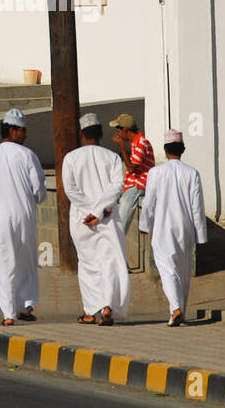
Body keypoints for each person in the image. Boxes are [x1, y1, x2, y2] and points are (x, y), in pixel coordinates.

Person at [0, 108, 45, 326]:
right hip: (23, 214)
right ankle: (24, 304)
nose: (25, 134)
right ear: (12, 130)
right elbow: (39, 191)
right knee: (25, 260)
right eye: (22, 130)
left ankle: (9, 312)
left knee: (2, 261)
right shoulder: (28, 156)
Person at [61, 112, 129, 326]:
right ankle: (107, 306)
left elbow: (70, 190)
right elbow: (118, 186)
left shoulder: (71, 158)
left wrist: (91, 211)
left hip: (83, 219)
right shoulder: (113, 157)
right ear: (100, 134)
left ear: (82, 134)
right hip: (108, 217)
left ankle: (91, 311)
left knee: (89, 264)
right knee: (109, 262)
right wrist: (100, 210)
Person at [139, 130, 207, 327]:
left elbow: (149, 203)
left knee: (168, 269)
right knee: (184, 271)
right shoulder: (192, 173)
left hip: (163, 229)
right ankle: (180, 312)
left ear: (165, 150)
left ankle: (176, 308)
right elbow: (197, 207)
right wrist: (200, 234)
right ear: (183, 150)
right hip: (185, 229)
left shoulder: (155, 173)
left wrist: (144, 225)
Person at [109, 112, 154, 235]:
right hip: (132, 184)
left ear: (125, 130)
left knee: (120, 227)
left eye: (118, 129)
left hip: (139, 184)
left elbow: (131, 168)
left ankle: (118, 239)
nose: (118, 133)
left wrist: (122, 148)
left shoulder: (141, 142)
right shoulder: (135, 143)